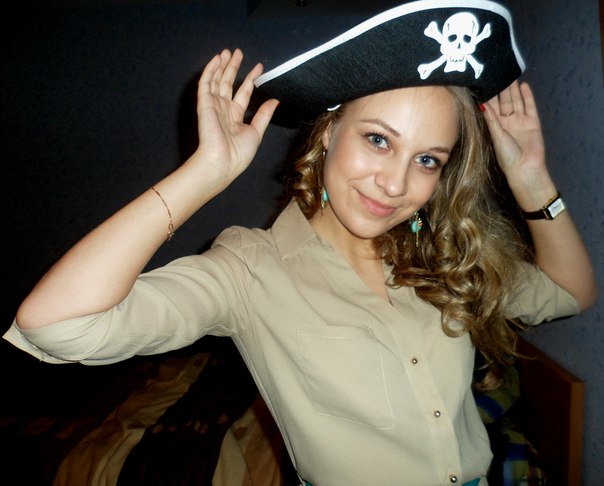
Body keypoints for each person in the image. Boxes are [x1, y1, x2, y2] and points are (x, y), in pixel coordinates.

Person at [4, 1, 597, 485]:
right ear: (329, 131)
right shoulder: (250, 268)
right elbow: (56, 325)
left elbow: (571, 293)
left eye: (427, 160)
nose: (395, 184)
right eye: (378, 139)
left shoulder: (443, 256)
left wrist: (532, 180)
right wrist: (204, 173)